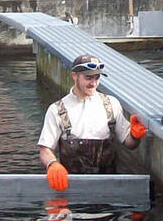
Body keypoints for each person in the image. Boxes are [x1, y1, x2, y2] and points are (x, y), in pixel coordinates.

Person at [38, 53, 146, 191]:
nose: (93, 83)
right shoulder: (57, 109)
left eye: (97, 78)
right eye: (88, 78)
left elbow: (129, 144)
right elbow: (44, 149)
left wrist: (135, 136)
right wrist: (52, 164)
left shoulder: (111, 104)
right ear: (74, 76)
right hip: (71, 189)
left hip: (108, 189)